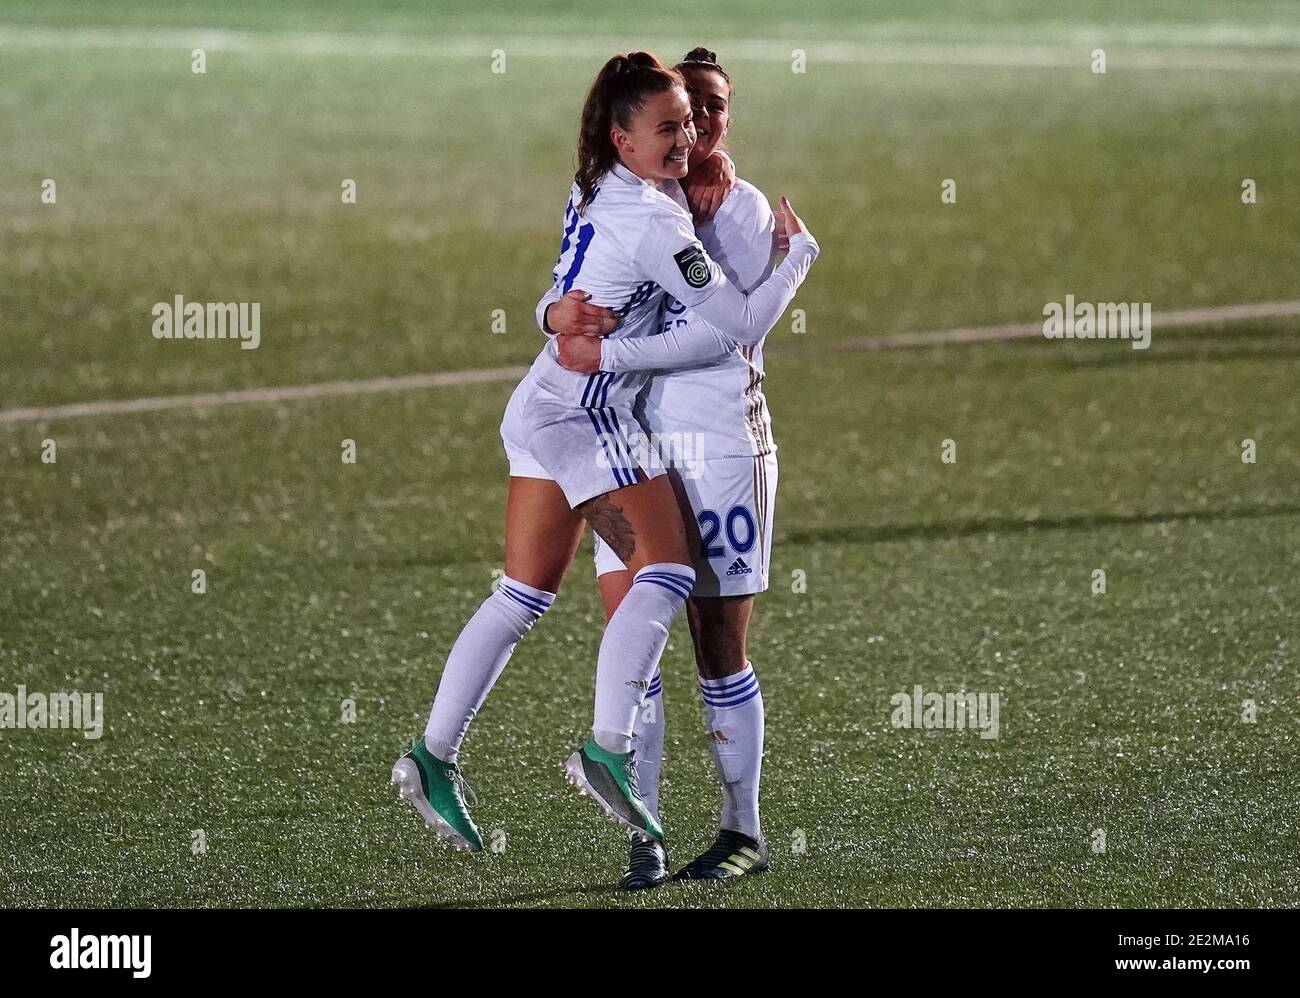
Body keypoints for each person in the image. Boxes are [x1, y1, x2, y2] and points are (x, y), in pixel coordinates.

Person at [391, 52, 820, 859]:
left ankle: (433, 756)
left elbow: (570, 277)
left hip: (539, 402)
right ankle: (605, 749)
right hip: (588, 412)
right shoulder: (659, 219)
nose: (691, 135)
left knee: (523, 593)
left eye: (695, 119)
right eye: (672, 124)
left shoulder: (598, 183)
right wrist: (801, 256)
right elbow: (732, 324)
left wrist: (552, 314)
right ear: (622, 137)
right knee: (666, 572)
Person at [543, 49, 791, 888]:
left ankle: (741, 832)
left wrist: (607, 354)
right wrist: (557, 315)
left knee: (717, 645)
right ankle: (643, 839)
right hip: (636, 454)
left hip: (723, 447)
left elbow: (735, 332)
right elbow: (567, 283)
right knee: (632, 641)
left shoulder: (745, 212)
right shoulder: (639, 196)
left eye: (713, 109)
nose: (701, 128)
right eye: (685, 115)